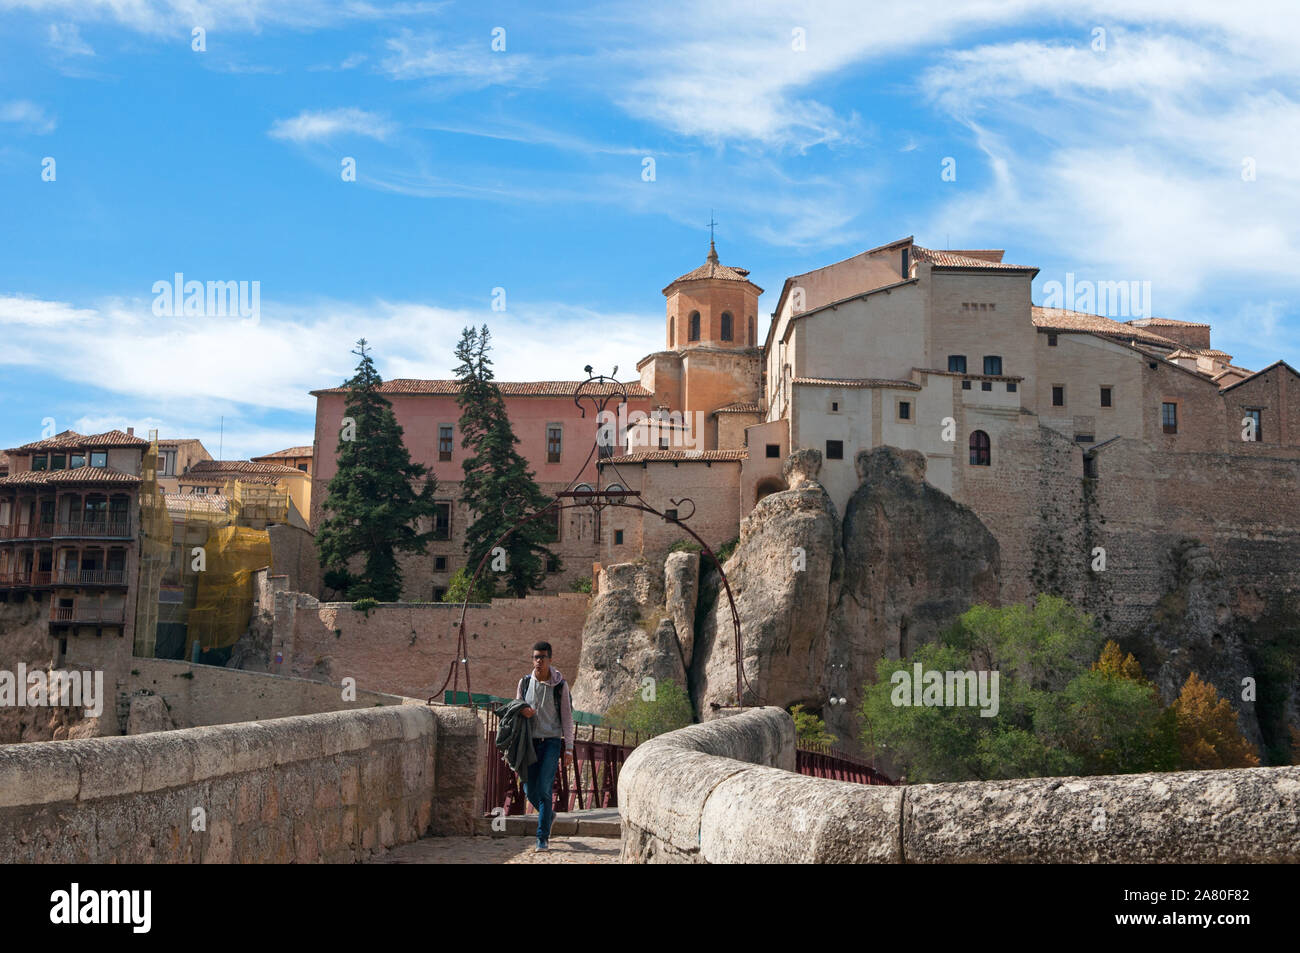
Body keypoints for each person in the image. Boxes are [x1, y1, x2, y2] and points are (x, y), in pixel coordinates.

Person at [515, 640, 574, 852]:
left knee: (545, 788)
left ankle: (542, 837)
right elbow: (515, 710)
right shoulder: (524, 683)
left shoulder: (560, 685)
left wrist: (568, 748)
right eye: (535, 657)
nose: (538, 661)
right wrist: (522, 710)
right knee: (529, 788)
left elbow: (567, 718)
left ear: (550, 659)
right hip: (529, 742)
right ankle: (549, 815)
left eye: (542, 657)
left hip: (551, 742)